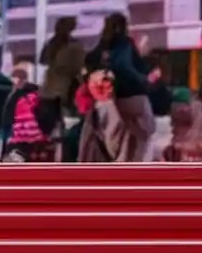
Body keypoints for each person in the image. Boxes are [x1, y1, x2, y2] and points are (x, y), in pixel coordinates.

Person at [84, 13, 155, 162]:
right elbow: (125, 66)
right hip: (134, 94)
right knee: (143, 136)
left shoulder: (102, 45)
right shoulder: (125, 43)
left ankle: (121, 166)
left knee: (121, 139)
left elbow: (88, 62)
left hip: (115, 98)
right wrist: (142, 79)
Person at [39, 16, 85, 102]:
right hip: (58, 85)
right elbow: (43, 60)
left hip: (62, 85)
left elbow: (43, 60)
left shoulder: (73, 45)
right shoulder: (53, 44)